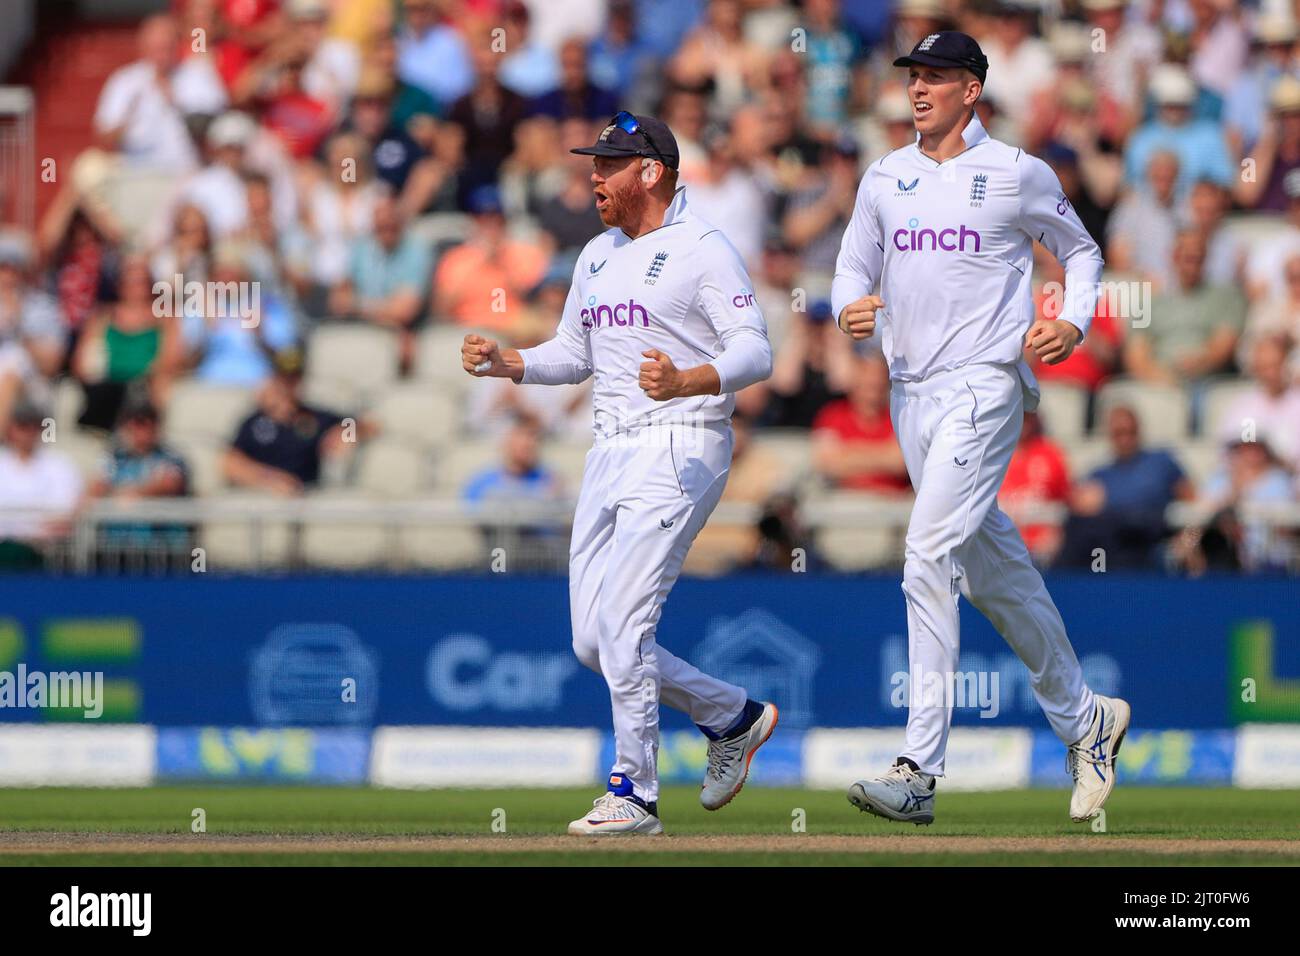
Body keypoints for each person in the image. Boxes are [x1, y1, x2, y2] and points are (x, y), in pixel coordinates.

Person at [831, 32, 1130, 826]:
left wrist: (1070, 322)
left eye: (935, 76)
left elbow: (1083, 251)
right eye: (913, 76)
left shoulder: (1016, 172)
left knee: (927, 556)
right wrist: (847, 307)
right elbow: (851, 268)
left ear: (972, 89)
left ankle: (918, 770)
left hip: (987, 386)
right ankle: (1086, 718)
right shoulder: (885, 176)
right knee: (993, 571)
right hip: (909, 394)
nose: (918, 88)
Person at [460, 112, 776, 836]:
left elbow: (756, 351)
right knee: (592, 643)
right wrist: (511, 361)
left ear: (651, 171)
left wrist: (691, 379)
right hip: (609, 449)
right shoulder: (597, 255)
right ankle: (734, 716)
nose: (593, 177)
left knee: (626, 626)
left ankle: (635, 793)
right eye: (593, 164)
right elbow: (575, 352)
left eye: (609, 164)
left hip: (680, 441)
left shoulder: (702, 247)